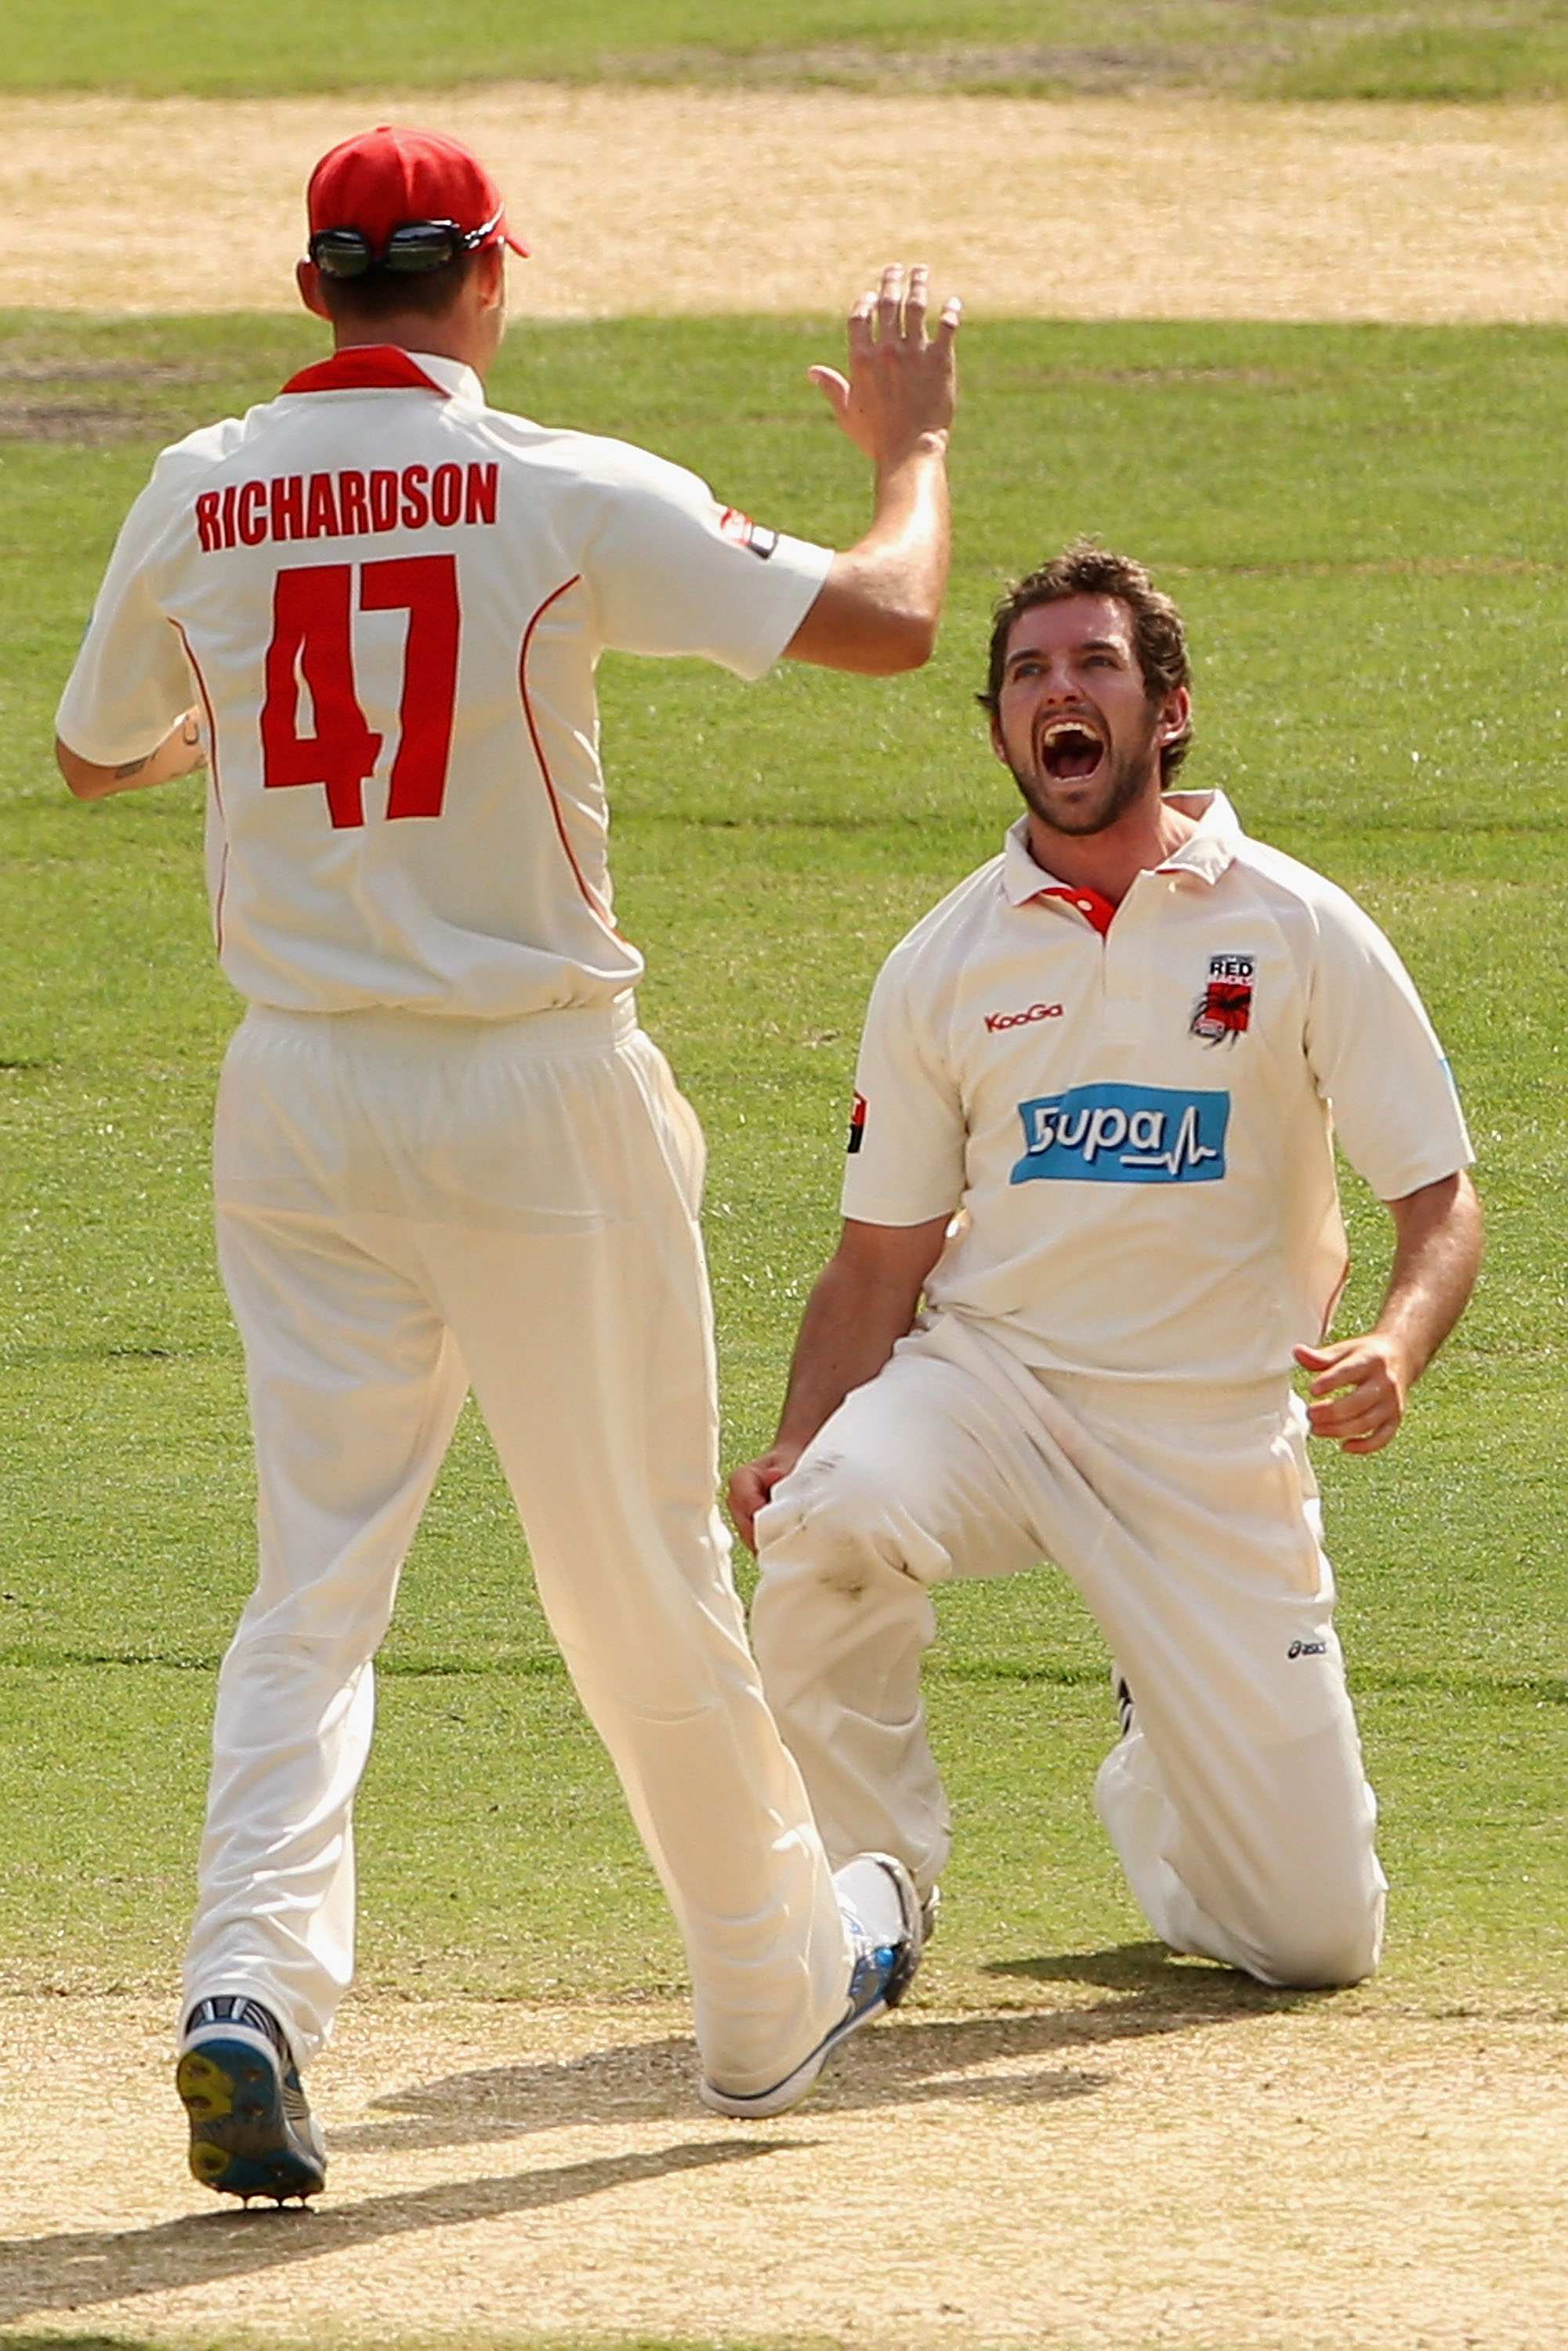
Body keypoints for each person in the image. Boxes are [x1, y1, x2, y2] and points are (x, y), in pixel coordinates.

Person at [55, 125, 961, 2201]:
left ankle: (249, 1992)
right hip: (533, 1092)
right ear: (483, 280)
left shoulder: (203, 484)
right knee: (639, 1564)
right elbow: (894, 621)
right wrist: (910, 446)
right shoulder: (546, 481)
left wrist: (225, 721)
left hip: (296, 1096)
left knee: (315, 1577)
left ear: (314, 291)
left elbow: (93, 748)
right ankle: (761, 1994)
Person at [730, 541, 1482, 1994]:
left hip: (1208, 1440)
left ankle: (1160, 1751)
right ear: (999, 723)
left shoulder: (1294, 924)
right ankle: (865, 1900)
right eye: (1025, 675)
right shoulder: (942, 960)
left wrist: (1395, 1345)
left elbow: (1438, 1198)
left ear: (1166, 711)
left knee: (1315, 1944)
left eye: (1091, 668)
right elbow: (875, 1263)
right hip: (994, 1390)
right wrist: (793, 1440)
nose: (1056, 696)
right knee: (825, 1515)